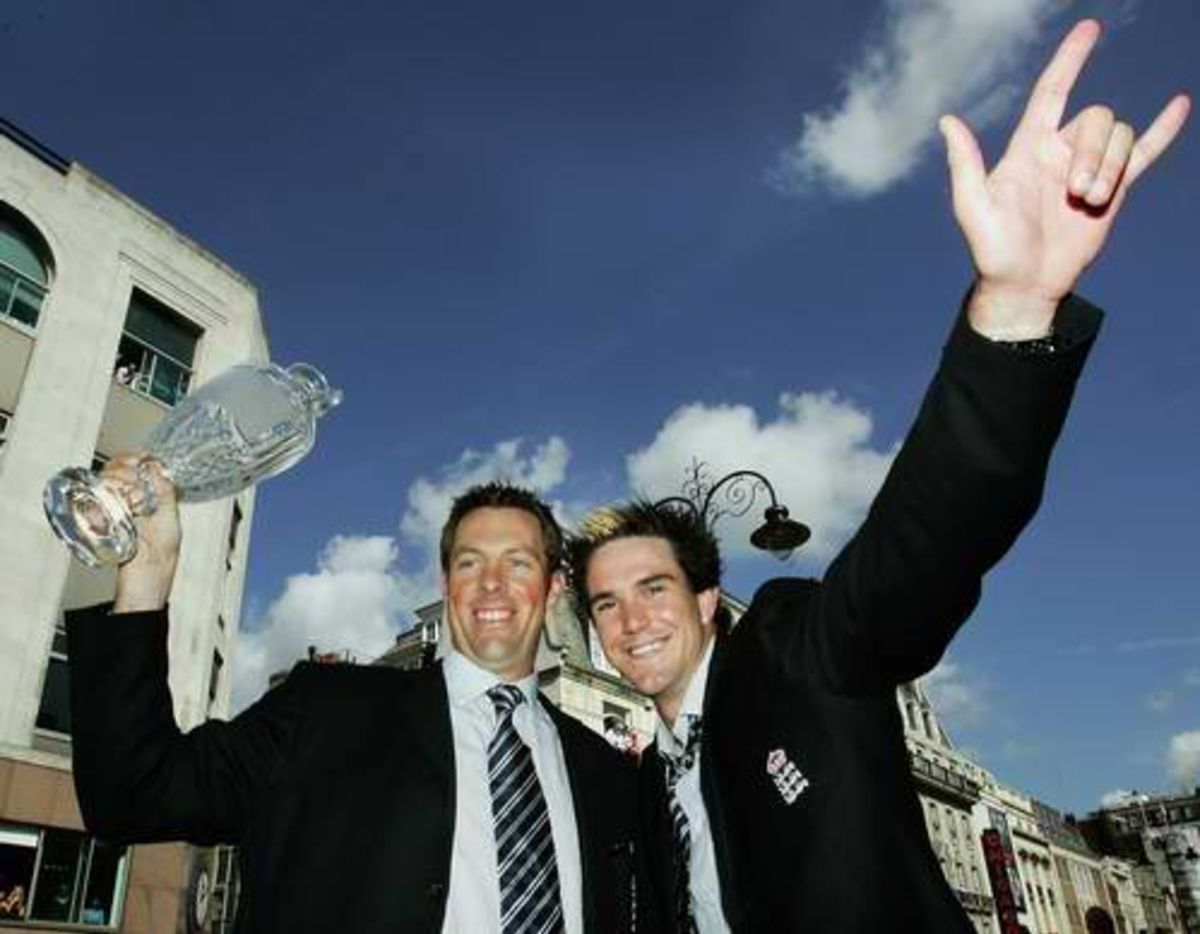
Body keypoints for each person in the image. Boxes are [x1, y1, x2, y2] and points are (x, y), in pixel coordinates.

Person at [566, 20, 1189, 934]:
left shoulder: (793, 654)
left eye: (653, 587)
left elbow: (924, 545)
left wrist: (1012, 317)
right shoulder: (644, 781)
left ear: (708, 601)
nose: (632, 619)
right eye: (606, 604)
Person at [66, 481, 647, 933]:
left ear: (551, 590)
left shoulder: (609, 775)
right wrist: (145, 578)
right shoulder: (324, 711)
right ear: (447, 588)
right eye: (470, 563)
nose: (491, 582)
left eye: (518, 563)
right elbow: (132, 792)